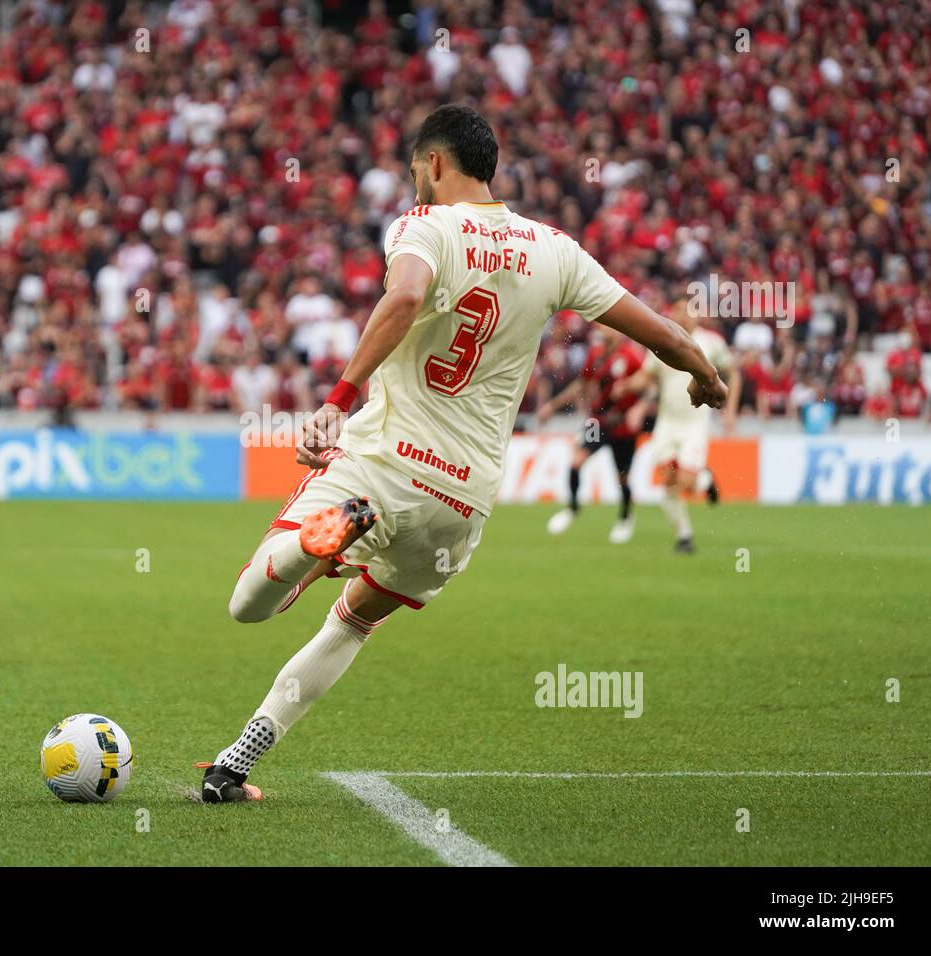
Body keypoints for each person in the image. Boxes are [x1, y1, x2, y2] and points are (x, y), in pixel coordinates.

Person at [197, 105, 728, 802]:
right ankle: (237, 762)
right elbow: (657, 329)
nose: (415, 183)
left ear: (435, 164)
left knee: (248, 605)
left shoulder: (426, 226)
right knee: (354, 623)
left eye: (417, 170)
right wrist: (705, 375)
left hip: (381, 465)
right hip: (461, 503)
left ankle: (316, 546)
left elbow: (406, 293)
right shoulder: (556, 250)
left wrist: (336, 399)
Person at [616, 297, 740, 553]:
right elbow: (646, 377)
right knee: (667, 483)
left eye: (689, 311)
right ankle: (684, 536)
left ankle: (705, 480)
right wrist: (627, 386)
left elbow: (733, 373)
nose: (684, 316)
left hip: (694, 424)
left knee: (685, 481)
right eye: (679, 311)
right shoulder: (663, 342)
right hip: (667, 424)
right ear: (672, 312)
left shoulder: (712, 343)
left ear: (698, 315)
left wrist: (731, 410)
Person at [537, 325, 648, 543]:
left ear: (617, 331)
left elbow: (648, 384)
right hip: (599, 423)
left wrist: (640, 407)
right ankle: (573, 508)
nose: (604, 331)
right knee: (577, 461)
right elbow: (582, 384)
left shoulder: (631, 356)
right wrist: (552, 405)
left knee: (622, 478)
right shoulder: (596, 354)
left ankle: (625, 517)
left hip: (623, 425)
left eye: (608, 327)